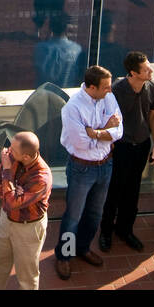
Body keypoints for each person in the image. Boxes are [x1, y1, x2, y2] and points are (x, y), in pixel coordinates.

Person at [54, 65, 121, 280]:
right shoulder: (73, 107)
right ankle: (64, 255)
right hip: (82, 167)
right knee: (73, 215)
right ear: (92, 87)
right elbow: (80, 143)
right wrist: (105, 132)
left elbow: (118, 130)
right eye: (106, 88)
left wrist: (96, 132)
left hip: (106, 165)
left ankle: (82, 248)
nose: (110, 91)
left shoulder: (108, 98)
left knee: (95, 213)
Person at [100, 51, 154, 252]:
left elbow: (153, 116)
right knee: (114, 190)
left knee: (133, 190)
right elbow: (106, 118)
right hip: (121, 146)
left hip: (141, 145)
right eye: (146, 69)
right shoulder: (116, 90)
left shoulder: (152, 88)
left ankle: (125, 230)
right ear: (133, 73)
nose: (150, 70)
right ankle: (106, 232)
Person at [0, 131, 52, 290]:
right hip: (7, 220)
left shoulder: (41, 178)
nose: (8, 151)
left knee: (27, 275)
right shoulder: (12, 157)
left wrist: (7, 173)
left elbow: (10, 202)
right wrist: (13, 191)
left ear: (26, 157)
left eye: (13, 150)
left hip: (28, 228)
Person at [34, 12, 85, 89]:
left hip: (43, 93)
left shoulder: (40, 48)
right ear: (66, 28)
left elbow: (39, 72)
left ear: (51, 28)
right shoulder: (76, 49)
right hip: (68, 93)